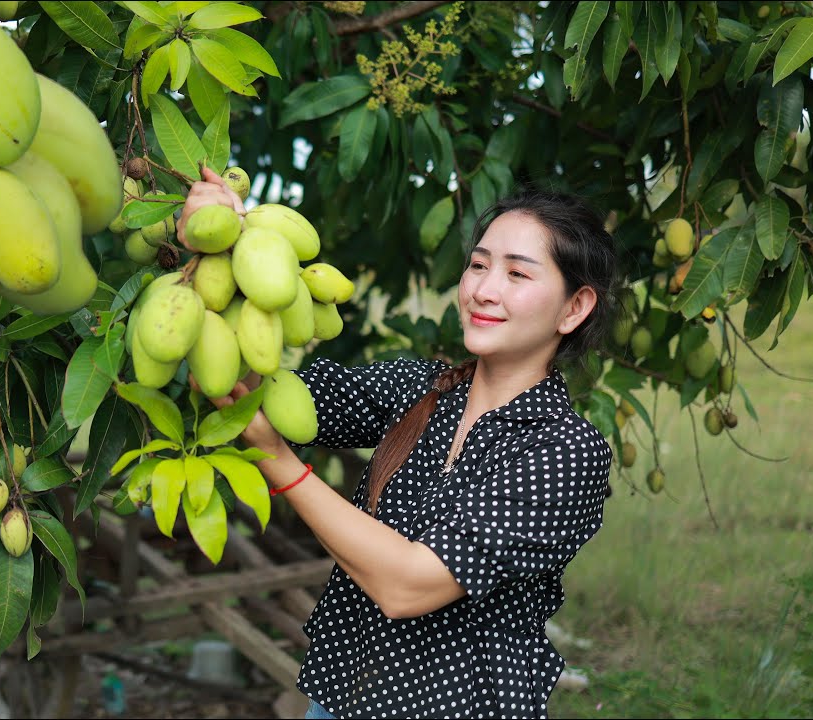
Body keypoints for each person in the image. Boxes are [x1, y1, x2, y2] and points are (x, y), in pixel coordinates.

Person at [176, 167, 621, 719]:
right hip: (341, 697)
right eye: (478, 264)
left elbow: (407, 586)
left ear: (575, 307)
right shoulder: (421, 389)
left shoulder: (565, 451)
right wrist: (219, 248)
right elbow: (255, 394)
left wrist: (278, 462)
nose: (483, 290)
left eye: (517, 274)